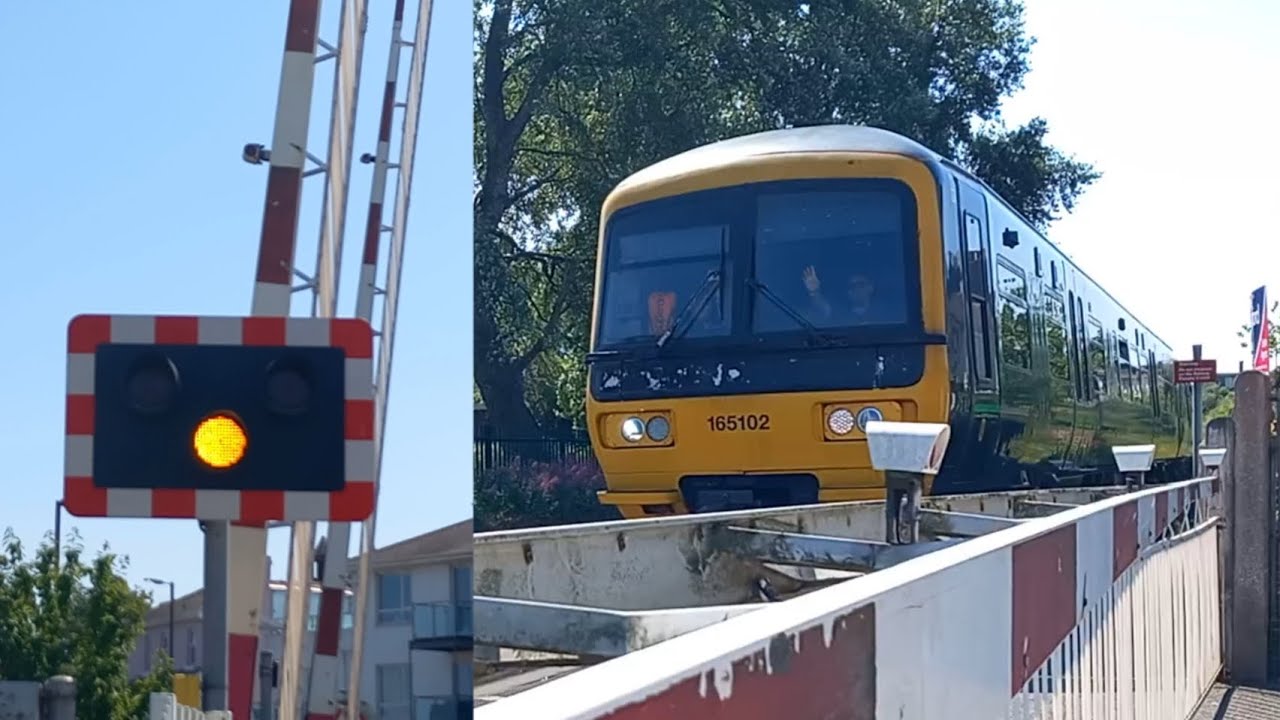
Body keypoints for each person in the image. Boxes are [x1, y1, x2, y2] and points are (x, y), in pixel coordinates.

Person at [802, 265, 881, 324]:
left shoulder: (885, 314)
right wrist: (815, 292)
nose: (857, 289)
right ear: (848, 292)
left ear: (871, 287)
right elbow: (822, 310)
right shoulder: (839, 315)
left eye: (861, 285)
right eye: (852, 286)